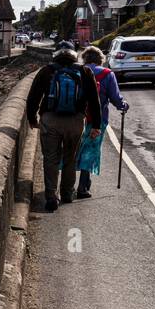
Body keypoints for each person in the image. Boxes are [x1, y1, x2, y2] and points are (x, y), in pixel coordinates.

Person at [26, 41, 103, 212]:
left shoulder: (47, 70)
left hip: (50, 120)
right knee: (70, 158)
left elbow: (33, 97)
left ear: (56, 53)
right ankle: (67, 193)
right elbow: (94, 101)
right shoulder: (85, 71)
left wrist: (32, 118)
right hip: (75, 121)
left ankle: (51, 196)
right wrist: (96, 125)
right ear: (74, 53)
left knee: (51, 159)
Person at [75, 45, 129, 198]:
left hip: (78, 116)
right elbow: (115, 98)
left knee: (76, 149)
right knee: (90, 150)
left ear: (84, 59)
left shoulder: (79, 72)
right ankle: (82, 187)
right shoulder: (107, 74)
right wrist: (123, 105)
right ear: (100, 59)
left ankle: (71, 185)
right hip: (98, 119)